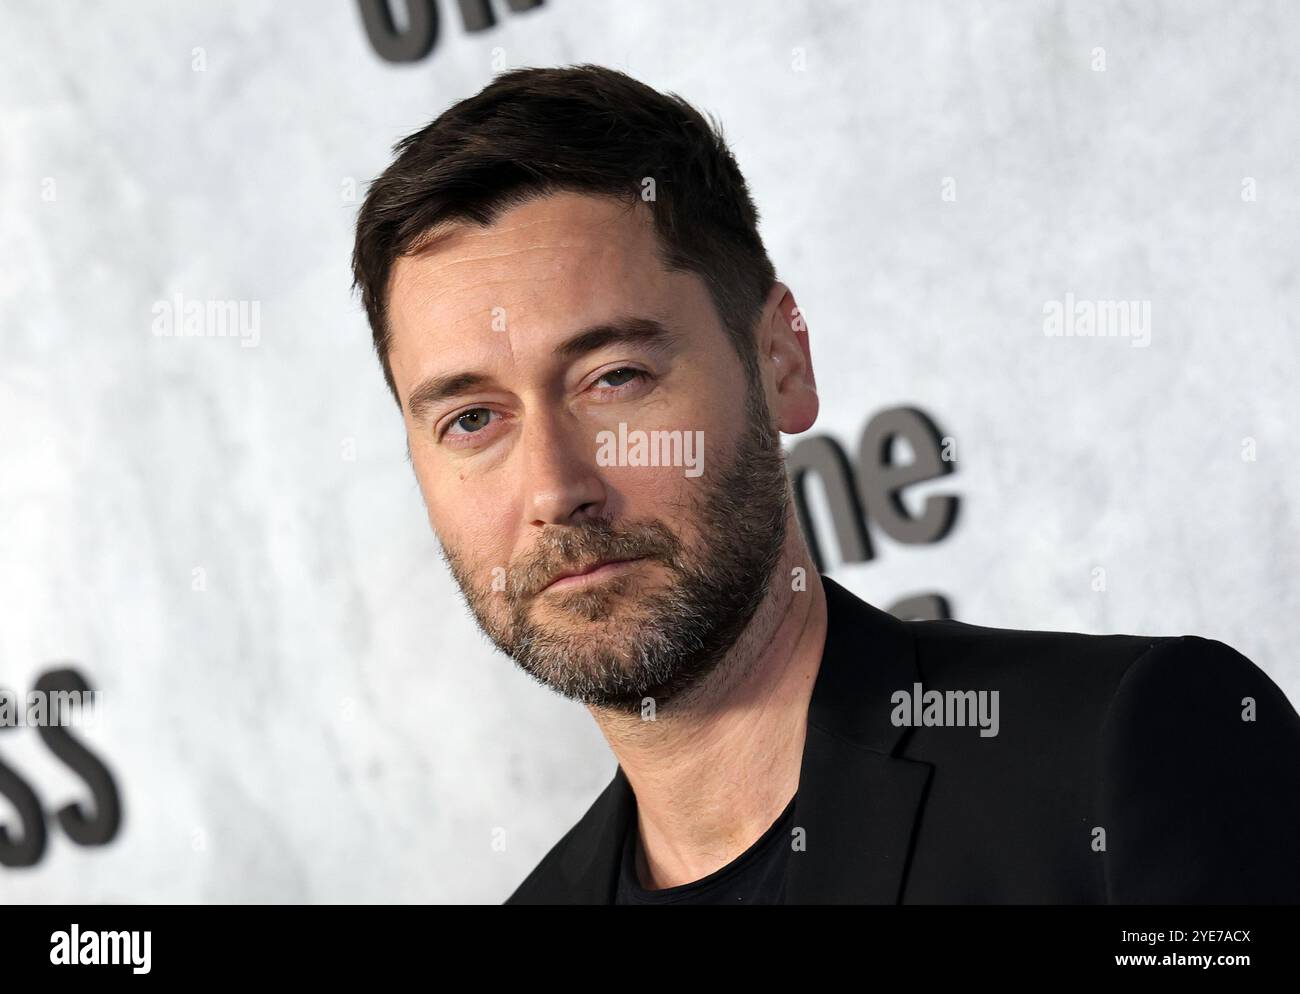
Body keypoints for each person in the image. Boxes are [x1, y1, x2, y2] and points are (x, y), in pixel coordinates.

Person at [351, 64, 1300, 904]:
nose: (556, 488)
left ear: (780, 363)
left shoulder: (1125, 757)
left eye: (614, 380)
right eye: (470, 420)